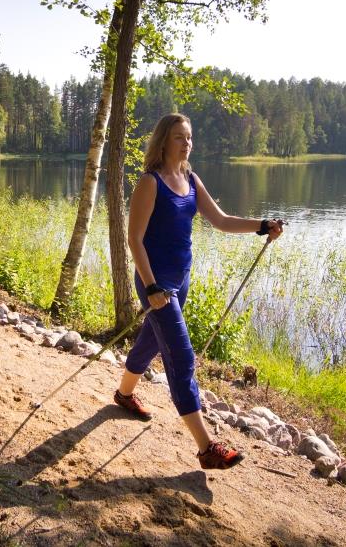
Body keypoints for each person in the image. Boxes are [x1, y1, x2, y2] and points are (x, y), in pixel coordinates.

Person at [113, 113, 283, 470]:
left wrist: (261, 225)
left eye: (189, 137)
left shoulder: (190, 179)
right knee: (182, 356)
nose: (186, 143)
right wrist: (151, 285)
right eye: (179, 137)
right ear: (163, 141)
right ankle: (207, 447)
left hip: (180, 279)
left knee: (152, 340)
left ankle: (124, 394)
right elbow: (135, 240)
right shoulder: (150, 182)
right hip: (155, 282)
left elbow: (220, 220)